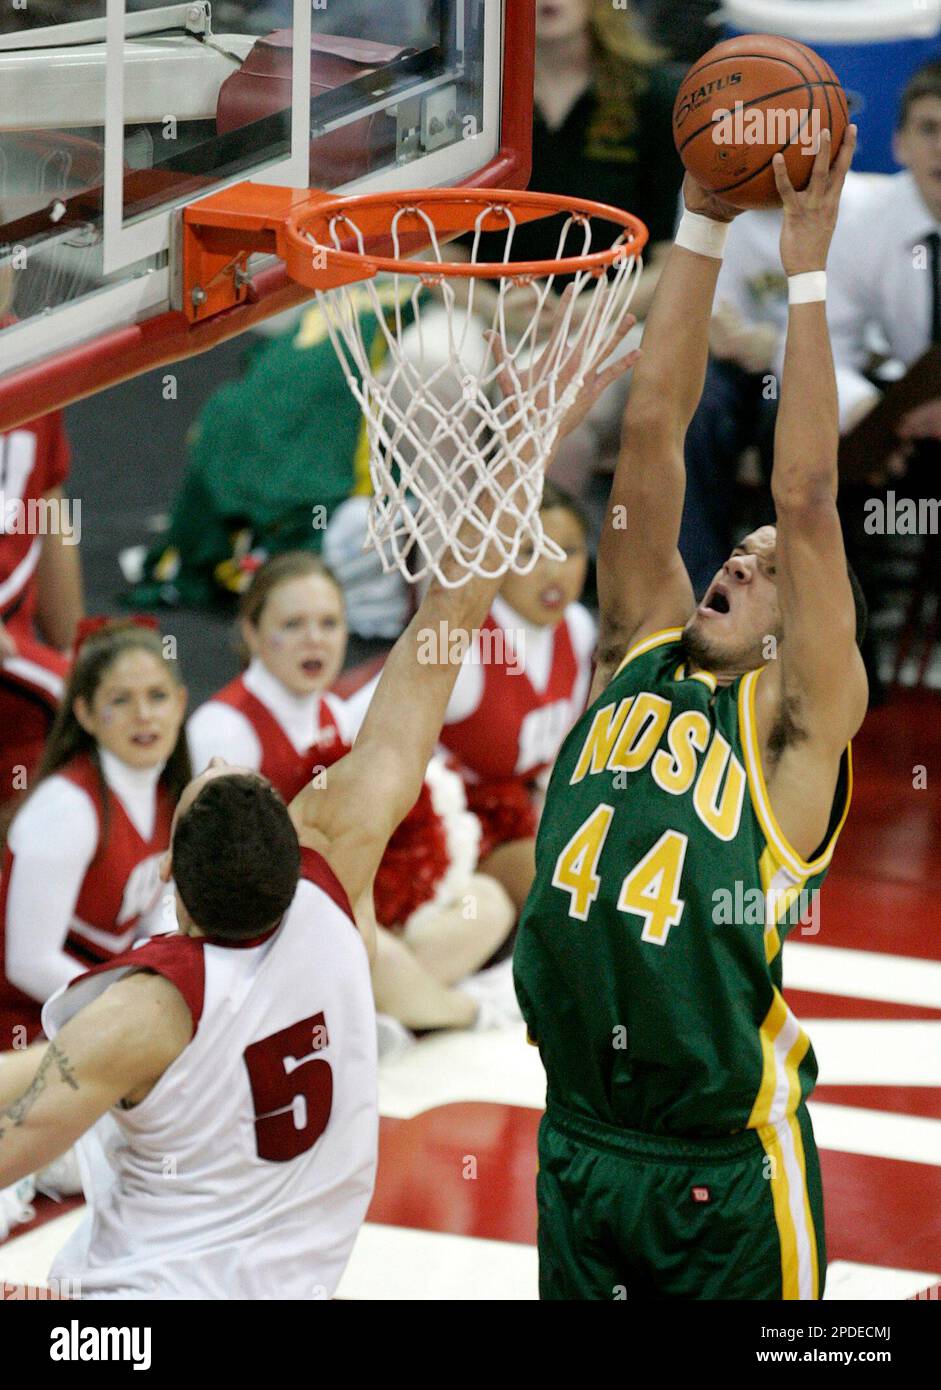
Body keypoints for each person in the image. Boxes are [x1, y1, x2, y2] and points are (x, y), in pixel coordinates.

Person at [0, 305, 640, 1299]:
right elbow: (449, 620)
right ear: (296, 845)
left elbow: (14, 1131)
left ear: (173, 878)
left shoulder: (145, 1006)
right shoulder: (333, 879)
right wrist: (520, 452)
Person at [513, 128, 869, 1300]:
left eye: (771, 571)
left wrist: (805, 264)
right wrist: (700, 217)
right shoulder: (637, 644)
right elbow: (650, 436)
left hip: (720, 1179)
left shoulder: (795, 727)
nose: (747, 558)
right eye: (744, 551)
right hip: (574, 1139)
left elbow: (806, 497)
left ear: (798, 626)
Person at [188, 551, 516, 1036]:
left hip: (345, 907)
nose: (314, 639)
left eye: (329, 623)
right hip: (263, 920)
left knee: (487, 901)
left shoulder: (339, 715)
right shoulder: (224, 726)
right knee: (353, 938)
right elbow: (228, 870)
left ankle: (381, 1009)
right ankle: (456, 1012)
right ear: (253, 633)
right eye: (294, 623)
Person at [347, 484, 597, 917]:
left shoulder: (577, 628)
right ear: (496, 558)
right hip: (431, 835)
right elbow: (349, 728)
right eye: (528, 553)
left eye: (569, 551)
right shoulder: (462, 646)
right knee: (563, 893)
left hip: (512, 821)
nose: (554, 572)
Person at [0, 620, 190, 1050]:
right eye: (120, 700)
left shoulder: (166, 792)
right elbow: (28, 964)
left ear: (179, 704)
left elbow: (151, 915)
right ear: (85, 712)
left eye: (157, 697)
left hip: (94, 1014)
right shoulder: (66, 808)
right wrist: (128, 1007)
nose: (143, 714)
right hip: (27, 1028)